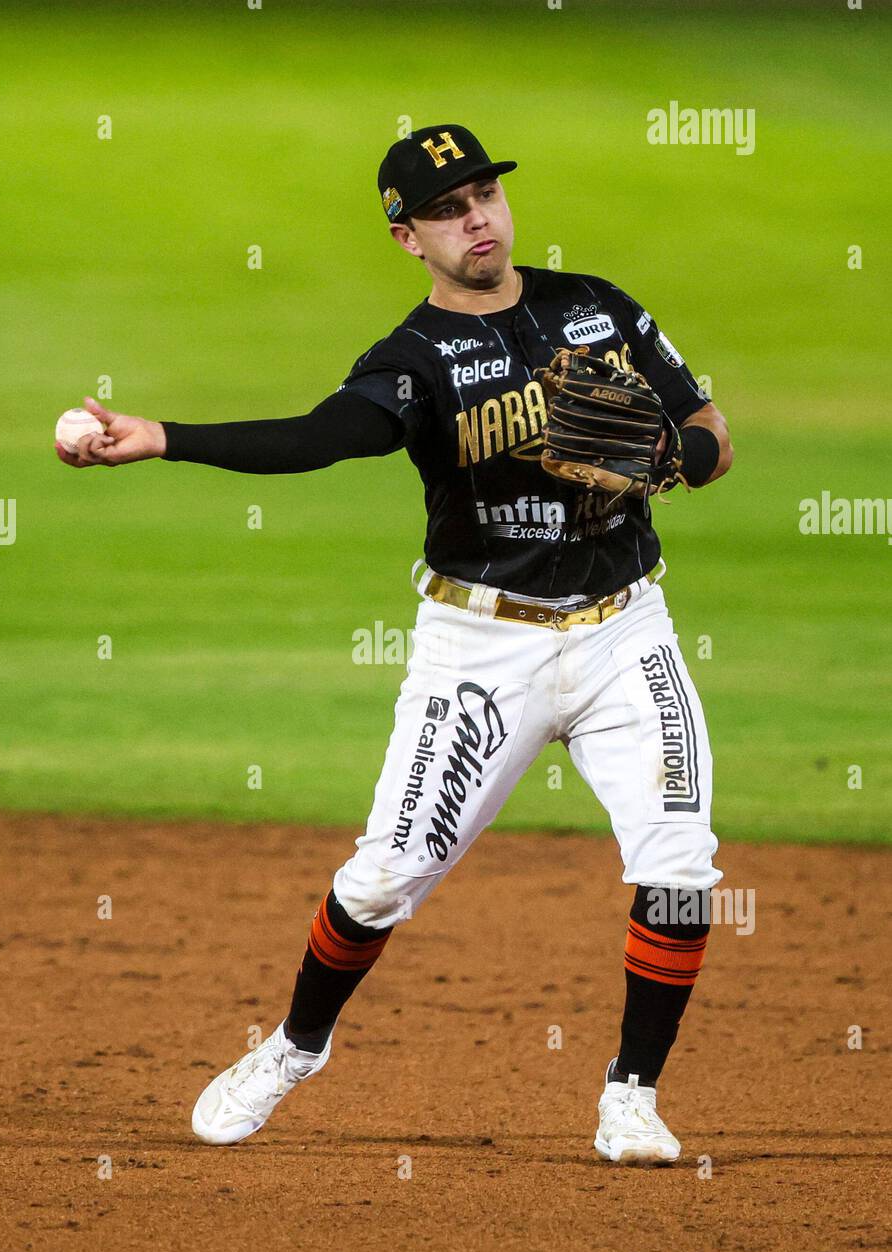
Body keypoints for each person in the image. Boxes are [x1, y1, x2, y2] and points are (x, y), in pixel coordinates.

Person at [58, 124, 733, 1164]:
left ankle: (631, 1095)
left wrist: (669, 454)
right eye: (448, 207)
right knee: (383, 877)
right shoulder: (414, 363)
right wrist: (165, 439)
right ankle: (292, 1045)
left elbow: (712, 431)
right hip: (481, 647)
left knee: (682, 861)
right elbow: (319, 438)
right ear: (406, 235)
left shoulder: (598, 306)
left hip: (624, 629)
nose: (477, 217)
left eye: (486, 195)